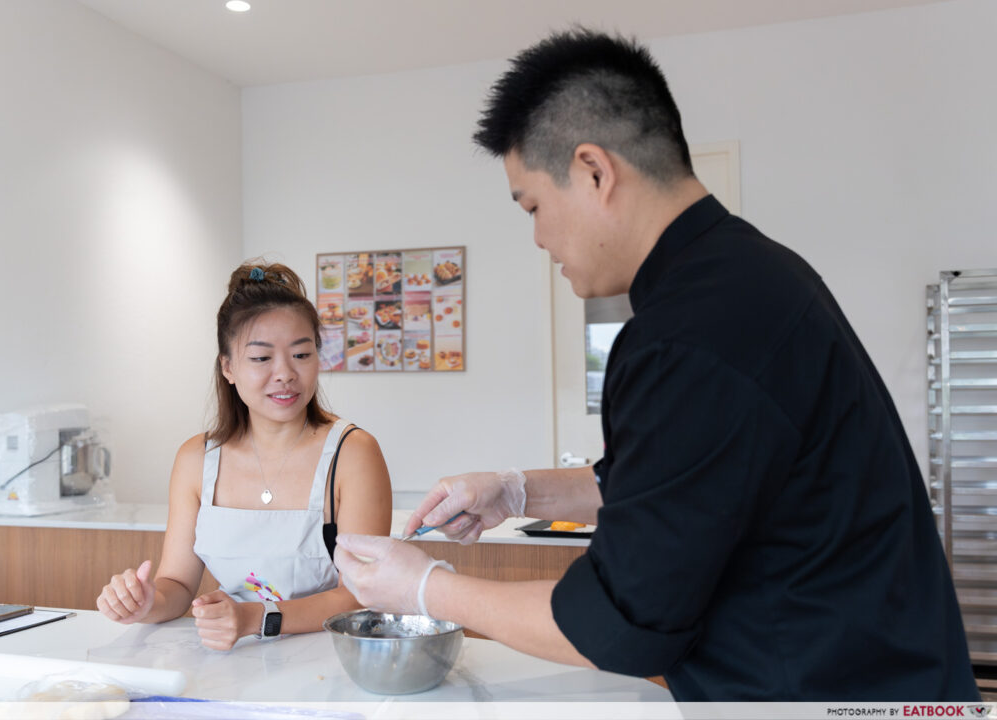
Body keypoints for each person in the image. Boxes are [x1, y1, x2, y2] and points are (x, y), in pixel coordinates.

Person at [333, 29, 979, 700]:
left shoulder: (686, 335)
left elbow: (619, 623)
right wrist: (516, 491)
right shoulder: (751, 276)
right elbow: (684, 481)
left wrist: (426, 587)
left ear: (593, 171)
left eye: (533, 206)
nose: (538, 237)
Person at [97, 261, 392, 650]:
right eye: (261, 358)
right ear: (228, 368)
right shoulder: (196, 459)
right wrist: (147, 603)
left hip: (332, 659)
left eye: (301, 355)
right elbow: (179, 585)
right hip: (231, 655)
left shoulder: (353, 453)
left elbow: (358, 596)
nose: (285, 373)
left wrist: (256, 617)